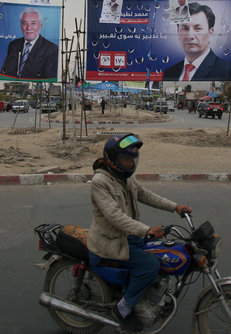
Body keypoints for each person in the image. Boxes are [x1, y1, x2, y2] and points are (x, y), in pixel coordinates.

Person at [87, 133, 192, 332]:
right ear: (112, 160)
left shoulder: (125, 179)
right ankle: (123, 308)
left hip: (129, 237)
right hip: (111, 242)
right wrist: (146, 230)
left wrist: (175, 207)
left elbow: (145, 195)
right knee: (150, 266)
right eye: (125, 159)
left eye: (132, 159)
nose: (129, 163)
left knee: (162, 253)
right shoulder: (101, 182)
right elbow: (114, 216)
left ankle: (139, 296)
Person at [163, 2, 231, 81]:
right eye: (185, 29)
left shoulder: (226, 71)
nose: (190, 36)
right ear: (178, 33)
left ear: (210, 33)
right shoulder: (169, 73)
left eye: (198, 28)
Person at [0, 7, 59, 79]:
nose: (29, 28)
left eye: (33, 23)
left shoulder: (50, 48)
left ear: (40, 25)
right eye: (25, 23)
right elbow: (7, 72)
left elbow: (49, 77)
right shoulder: (14, 45)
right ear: (21, 26)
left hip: (35, 88)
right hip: (15, 86)